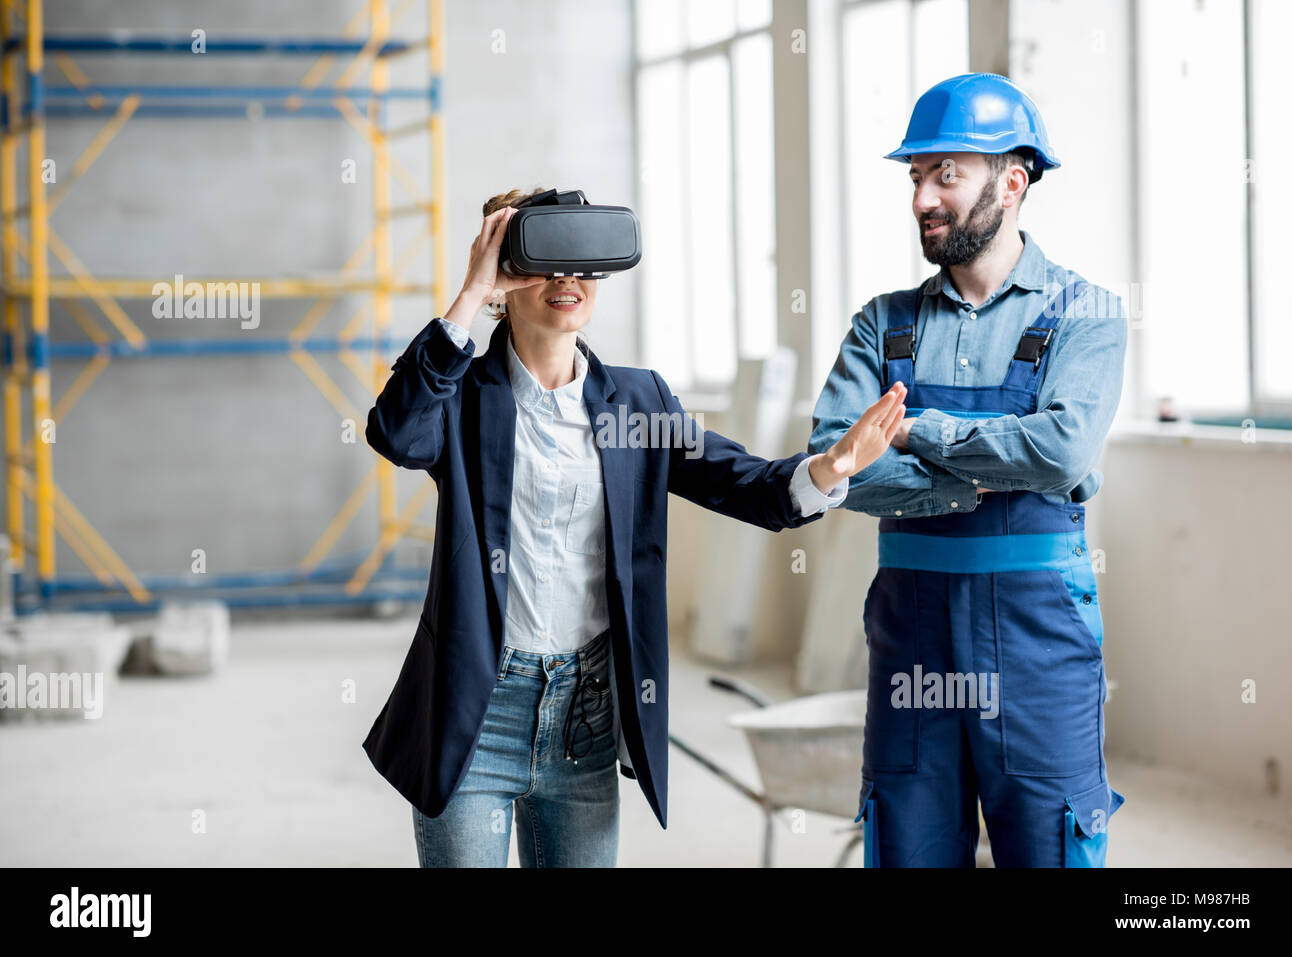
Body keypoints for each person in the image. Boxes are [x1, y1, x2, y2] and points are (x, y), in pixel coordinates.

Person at [362, 186, 909, 867]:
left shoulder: (637, 400)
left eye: (585, 264)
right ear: (505, 276)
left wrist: (830, 468)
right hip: (477, 714)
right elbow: (395, 432)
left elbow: (744, 484)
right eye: (545, 260)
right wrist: (471, 294)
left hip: (585, 717)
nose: (568, 280)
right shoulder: (462, 397)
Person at [809, 73, 1128, 867]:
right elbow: (834, 461)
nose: (922, 197)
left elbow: (1063, 450)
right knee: (907, 843)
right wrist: (983, 473)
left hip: (1037, 636)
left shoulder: (1085, 314)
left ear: (1012, 182)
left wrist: (919, 429)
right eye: (916, 176)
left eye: (945, 173)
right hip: (910, 631)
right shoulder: (883, 322)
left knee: (1050, 841)